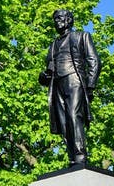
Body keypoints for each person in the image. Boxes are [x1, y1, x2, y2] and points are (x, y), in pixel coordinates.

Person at [39, 9, 101, 166]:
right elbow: (49, 69)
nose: (56, 21)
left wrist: (90, 86)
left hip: (74, 80)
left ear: (69, 20)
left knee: (74, 115)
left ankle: (80, 155)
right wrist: (43, 77)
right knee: (63, 121)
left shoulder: (81, 36)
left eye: (59, 18)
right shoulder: (53, 45)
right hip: (57, 84)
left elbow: (94, 60)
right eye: (55, 19)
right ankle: (72, 156)